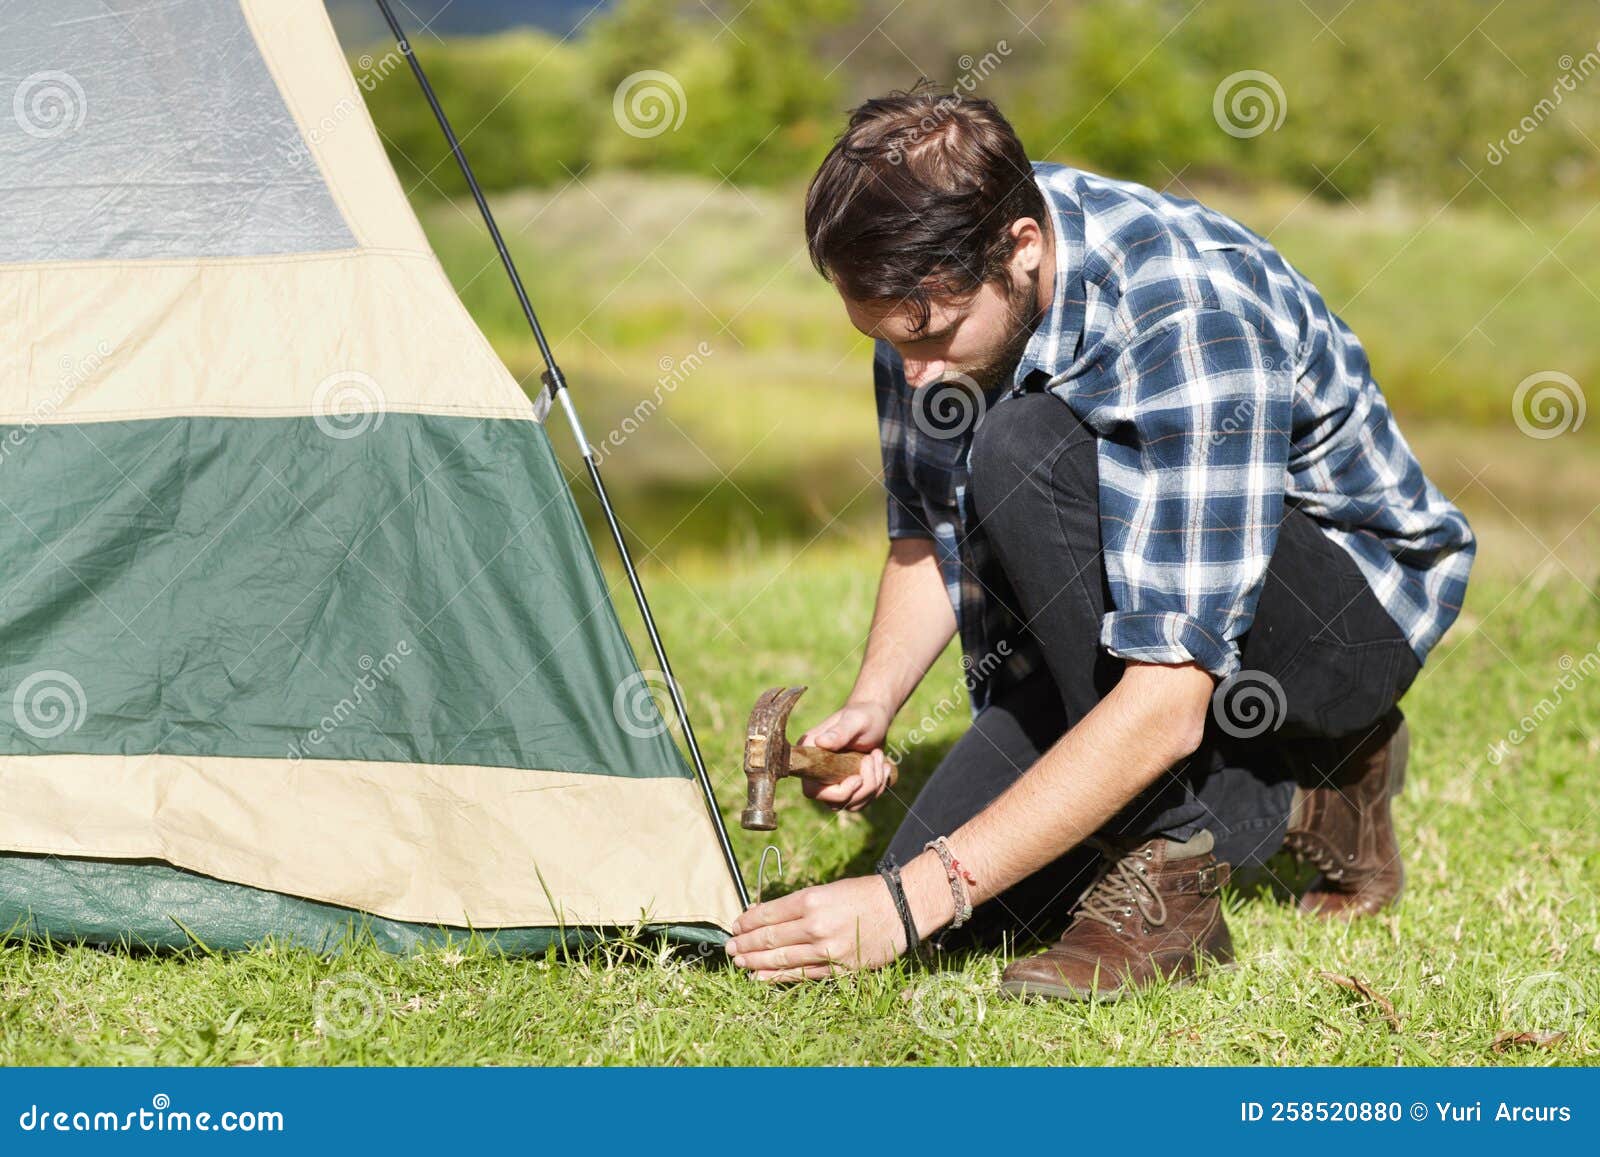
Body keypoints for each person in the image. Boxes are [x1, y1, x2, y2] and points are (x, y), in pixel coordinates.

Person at [725, 88, 1474, 1000]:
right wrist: (875, 703)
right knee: (966, 905)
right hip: (1141, 605)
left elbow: (1163, 698)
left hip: (1339, 620)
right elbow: (928, 531)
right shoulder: (926, 298)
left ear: (1021, 249)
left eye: (928, 335)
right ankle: (1300, 797)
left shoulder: (1190, 319)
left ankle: (1188, 863)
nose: (912, 371)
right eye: (884, 340)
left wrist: (905, 904)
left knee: (1022, 446)